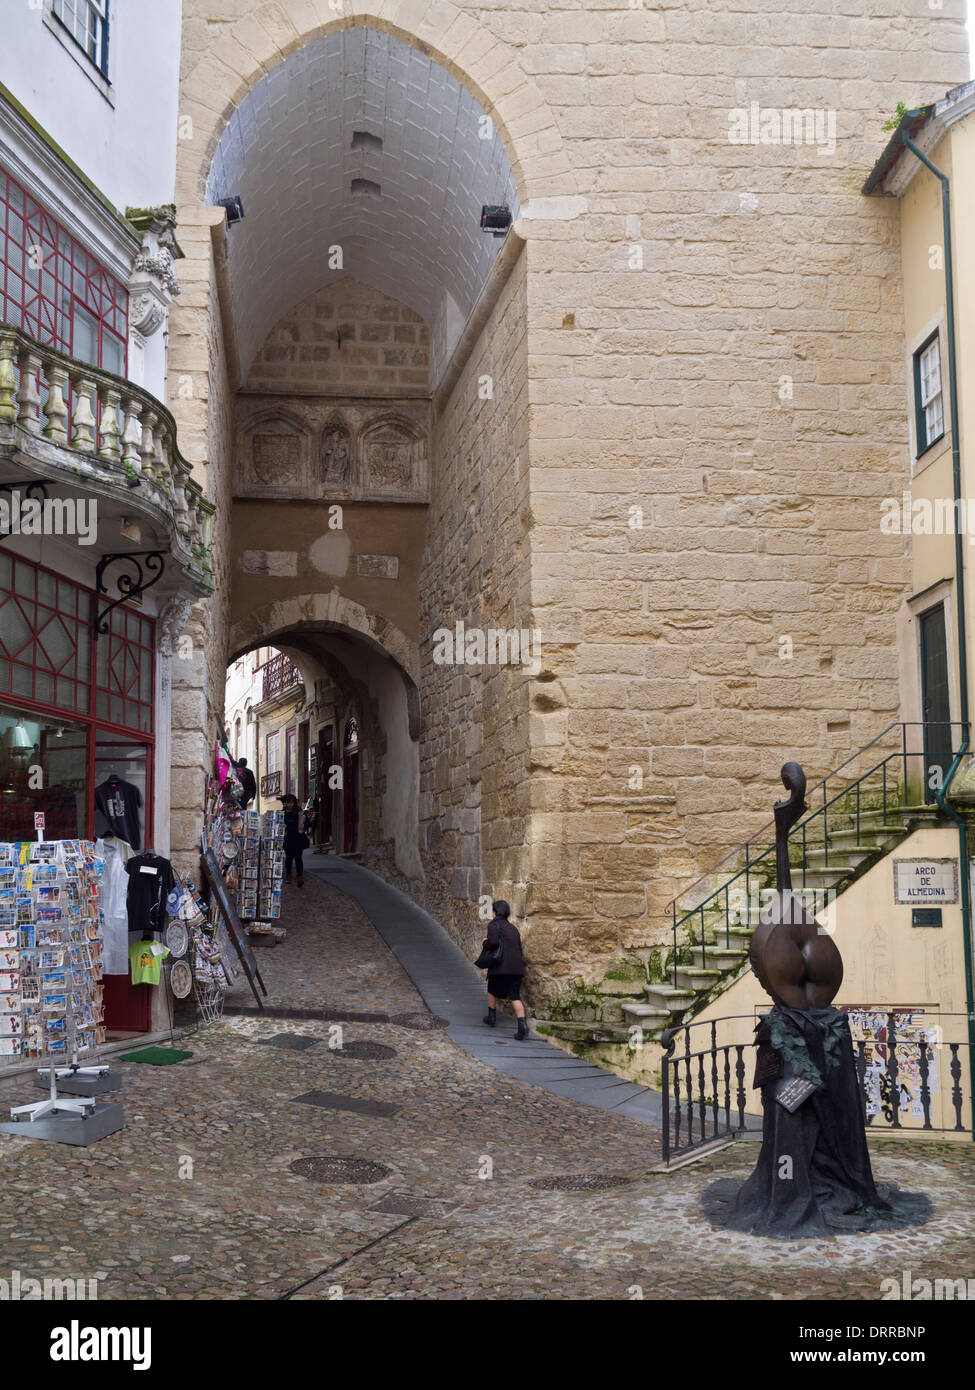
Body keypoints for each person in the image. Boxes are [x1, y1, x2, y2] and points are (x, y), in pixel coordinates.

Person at [481, 900, 528, 1039]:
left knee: (491, 990)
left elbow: (494, 943)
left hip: (501, 967)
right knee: (515, 997)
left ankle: (491, 1017)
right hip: (516, 968)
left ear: (495, 912)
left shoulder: (494, 924)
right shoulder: (513, 928)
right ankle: (522, 1027)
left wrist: (485, 942)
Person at [280, 792, 309, 887]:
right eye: (288, 802)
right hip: (288, 839)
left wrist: (303, 825)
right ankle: (288, 875)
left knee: (298, 858)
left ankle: (300, 877)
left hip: (297, 838)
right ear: (285, 803)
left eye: (292, 802)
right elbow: (280, 824)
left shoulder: (299, 811)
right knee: (288, 858)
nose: (290, 804)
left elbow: (306, 822)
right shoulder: (282, 812)